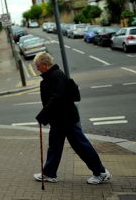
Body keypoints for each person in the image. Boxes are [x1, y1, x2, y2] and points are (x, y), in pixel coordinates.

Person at [32, 52, 112, 185]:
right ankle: (49, 173)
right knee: (54, 146)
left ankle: (101, 172)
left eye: (38, 66)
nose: (37, 69)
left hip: (67, 119)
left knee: (81, 146)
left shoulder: (56, 75)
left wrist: (43, 114)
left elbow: (57, 98)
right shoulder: (51, 76)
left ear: (45, 65)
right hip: (59, 120)